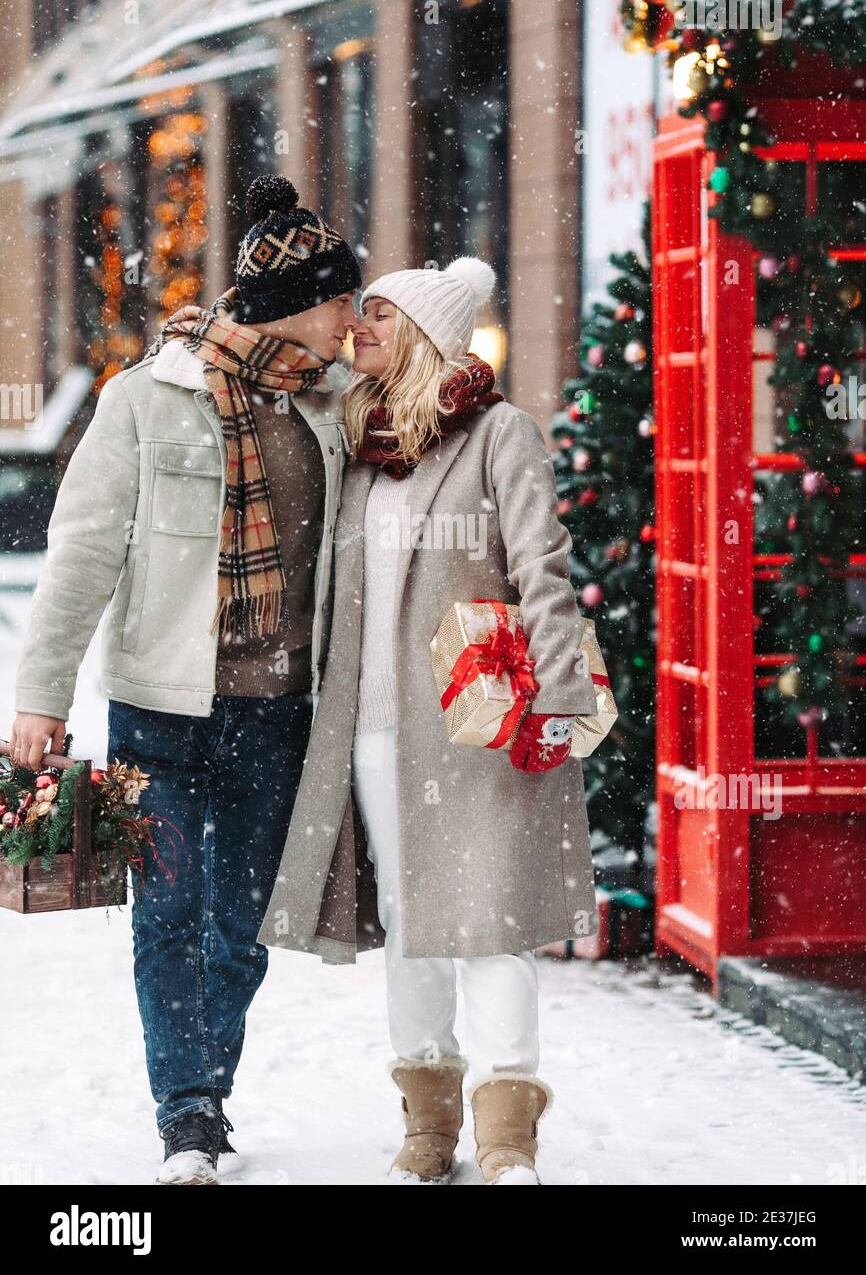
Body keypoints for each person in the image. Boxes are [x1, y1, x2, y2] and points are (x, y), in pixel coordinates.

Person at [10, 174, 361, 1185]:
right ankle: (189, 1109)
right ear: (299, 297)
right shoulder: (145, 401)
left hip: (276, 707)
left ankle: (205, 1077)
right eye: (342, 301)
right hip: (156, 706)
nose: (350, 321)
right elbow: (81, 554)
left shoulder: (330, 408)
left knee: (243, 923)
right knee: (166, 913)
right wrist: (41, 695)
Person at [256, 255, 600, 1185]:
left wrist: (564, 695)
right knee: (408, 925)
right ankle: (428, 1125)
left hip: (476, 724)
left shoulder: (499, 435)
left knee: (489, 924)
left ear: (424, 335)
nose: (358, 329)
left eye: (377, 317)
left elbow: (543, 570)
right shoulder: (358, 441)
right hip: (369, 728)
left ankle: (507, 1136)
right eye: (358, 315)